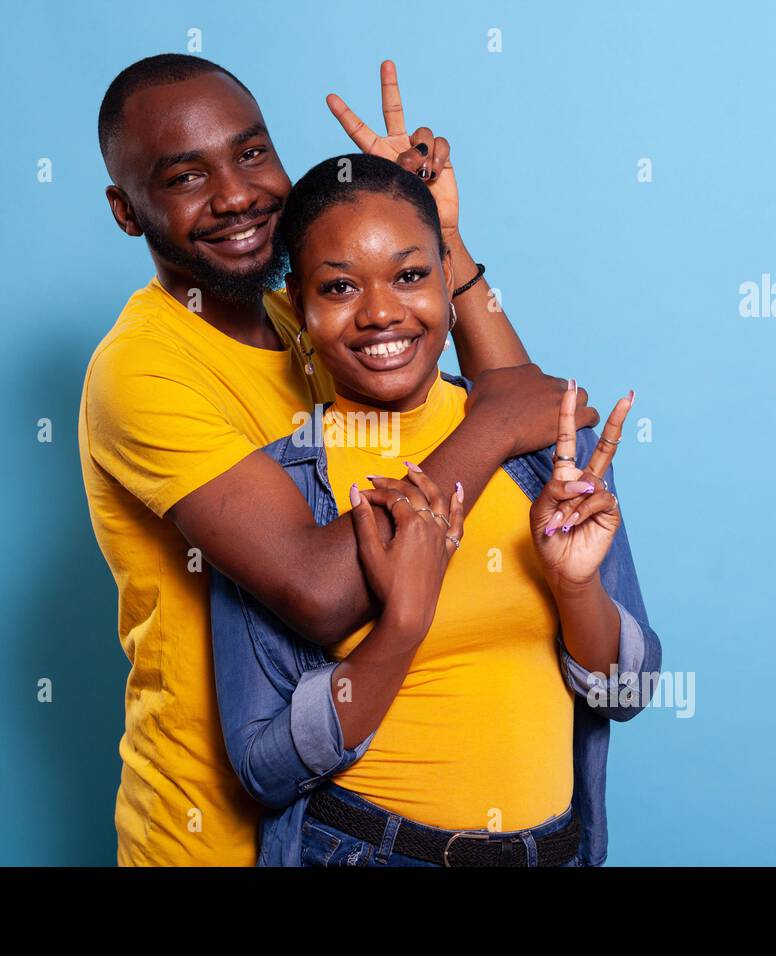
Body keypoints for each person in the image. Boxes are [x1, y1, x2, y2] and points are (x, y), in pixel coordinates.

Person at [79, 54, 602, 865]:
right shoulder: (141, 367)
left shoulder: (312, 311)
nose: (236, 194)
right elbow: (320, 594)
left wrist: (431, 229)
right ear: (125, 210)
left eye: (251, 153)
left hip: (344, 813)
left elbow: (524, 400)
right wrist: (493, 428)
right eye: (185, 176)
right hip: (213, 833)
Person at [209, 153, 662, 866]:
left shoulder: (539, 447)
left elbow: (628, 691)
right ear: (298, 306)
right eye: (339, 287)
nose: (382, 311)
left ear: (449, 284)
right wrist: (402, 628)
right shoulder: (282, 489)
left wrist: (574, 589)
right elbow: (263, 769)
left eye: (411, 275)